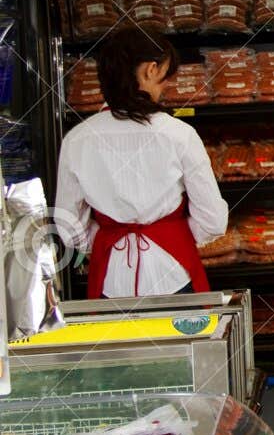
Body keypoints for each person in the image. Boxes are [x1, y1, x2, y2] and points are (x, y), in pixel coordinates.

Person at [55, 25, 227, 297]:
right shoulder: (179, 135)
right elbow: (213, 220)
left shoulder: (77, 139)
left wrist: (104, 240)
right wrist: (170, 236)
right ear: (150, 70)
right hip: (173, 274)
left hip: (110, 280)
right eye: (165, 74)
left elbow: (67, 225)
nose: (167, 83)